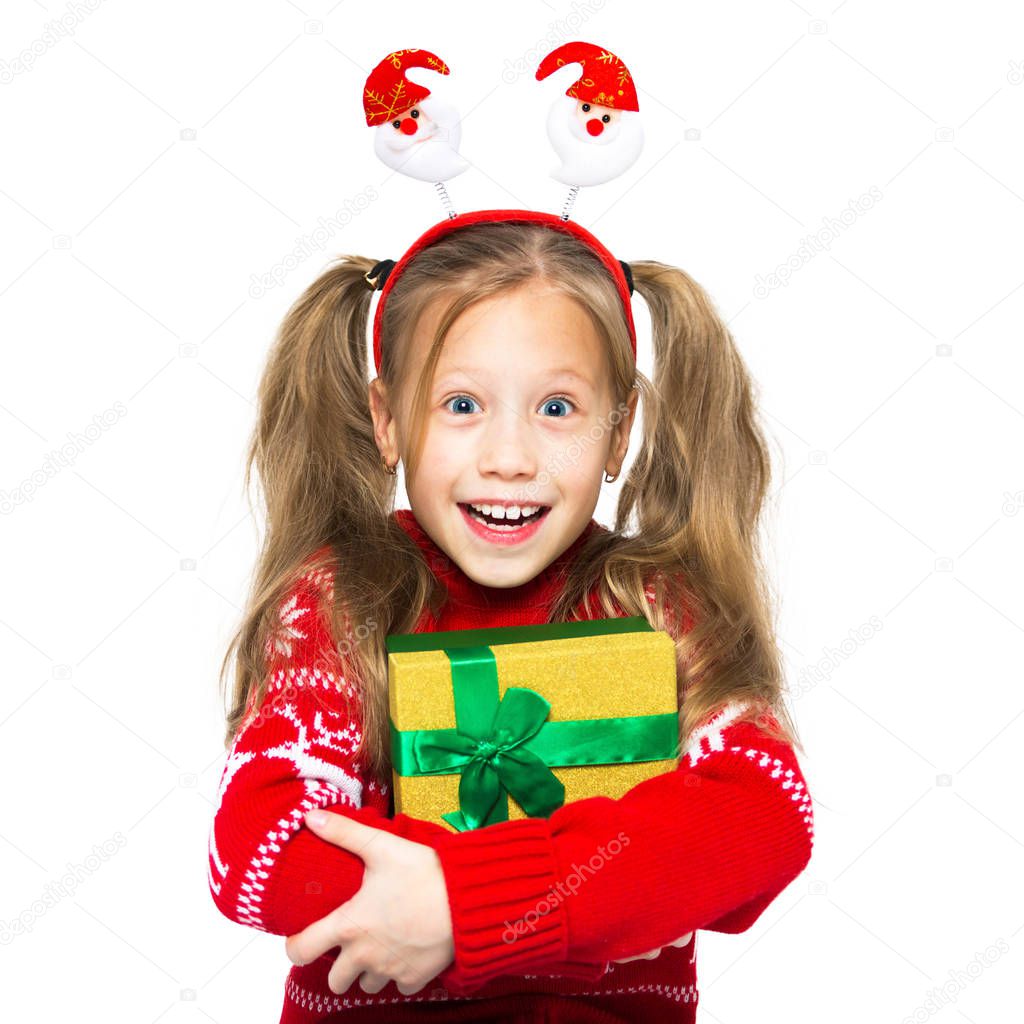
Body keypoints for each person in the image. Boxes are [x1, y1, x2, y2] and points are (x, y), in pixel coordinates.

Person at [207, 210, 815, 1023]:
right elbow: (258, 843)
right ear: (386, 420)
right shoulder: (339, 603)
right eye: (461, 404)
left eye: (557, 409)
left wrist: (466, 909)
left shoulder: (658, 607)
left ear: (618, 430)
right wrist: (582, 892)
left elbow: (764, 811)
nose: (509, 457)